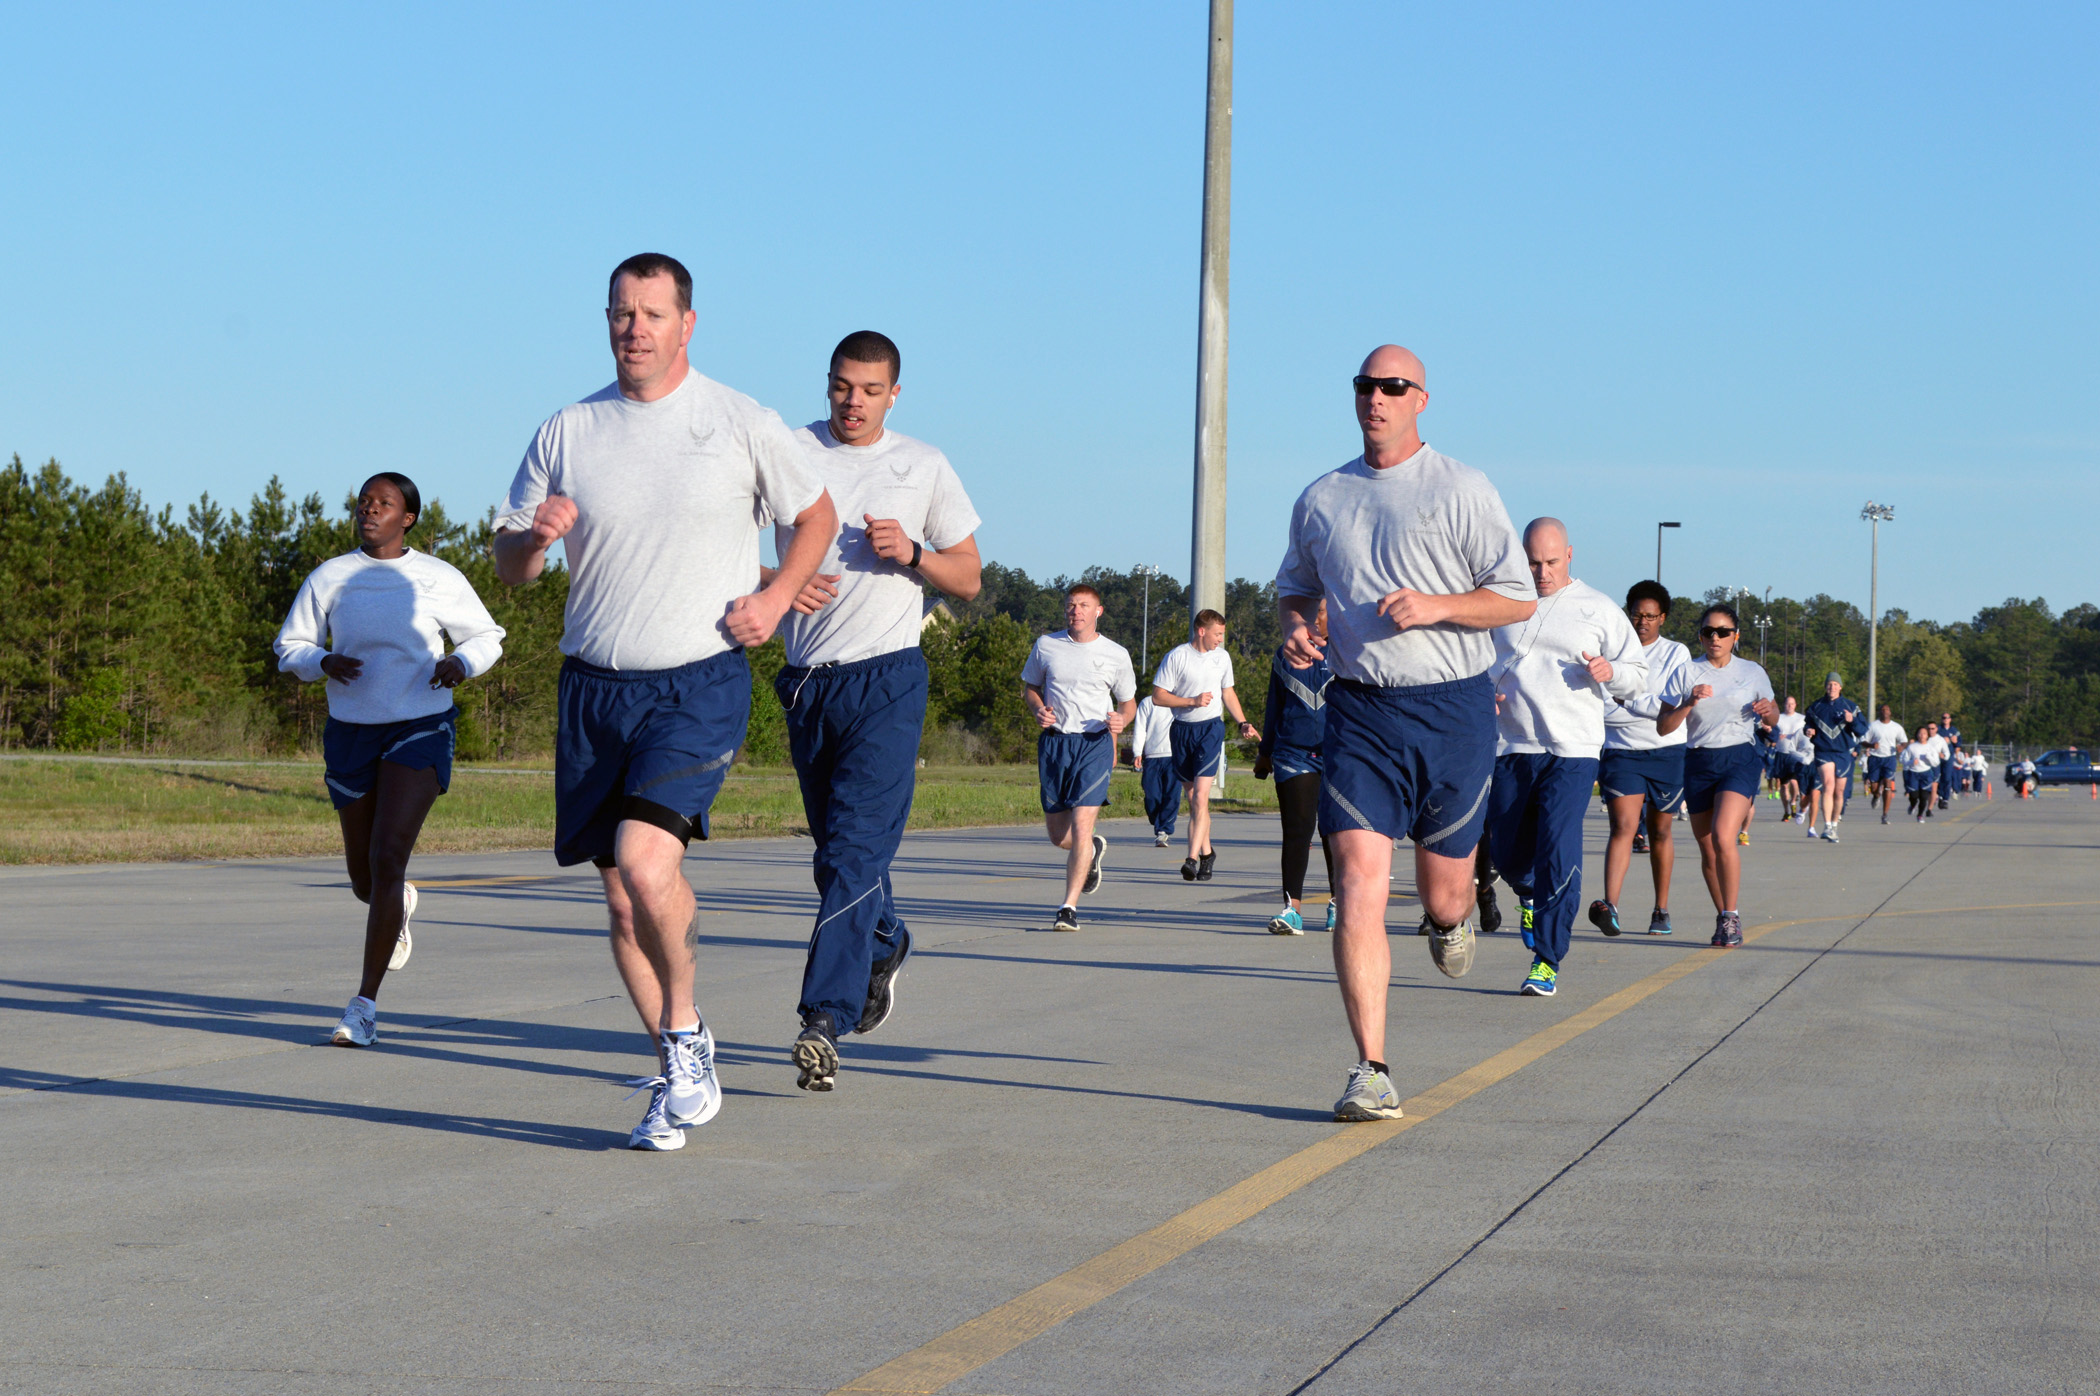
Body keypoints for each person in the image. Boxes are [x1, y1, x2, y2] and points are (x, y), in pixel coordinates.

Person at [493, 253, 837, 1151]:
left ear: (687, 323)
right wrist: (535, 538)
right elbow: (511, 567)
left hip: (697, 679)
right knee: (623, 898)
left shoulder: (737, 421)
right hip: (594, 688)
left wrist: (772, 599)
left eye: (650, 313)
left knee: (646, 867)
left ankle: (684, 1033)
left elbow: (818, 517)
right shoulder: (568, 430)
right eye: (619, 313)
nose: (633, 329)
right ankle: (677, 1068)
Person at [1274, 344, 1536, 1121]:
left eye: (1393, 387)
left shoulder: (1462, 487)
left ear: (1421, 399)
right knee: (1357, 884)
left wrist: (1438, 605)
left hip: (1453, 708)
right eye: (1365, 386)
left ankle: (1452, 921)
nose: (1376, 398)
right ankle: (1372, 1070)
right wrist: (1295, 630)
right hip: (1360, 713)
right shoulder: (1322, 499)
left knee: (1443, 895)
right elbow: (1294, 592)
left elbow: (1516, 599)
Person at [767, 331, 982, 1093]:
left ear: (894, 394)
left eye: (868, 390)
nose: (851, 402)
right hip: (806, 682)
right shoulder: (784, 451)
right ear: (825, 385)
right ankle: (884, 938)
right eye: (840, 387)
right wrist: (774, 578)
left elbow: (969, 577)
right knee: (836, 859)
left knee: (855, 854)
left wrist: (915, 554)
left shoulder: (921, 465)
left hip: (888, 680)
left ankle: (823, 1017)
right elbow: (716, 543)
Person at [276, 473, 506, 1048]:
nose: (369, 511)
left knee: (388, 854)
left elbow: (487, 635)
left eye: (384, 504)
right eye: (364, 503)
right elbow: (291, 646)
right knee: (366, 878)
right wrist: (322, 662)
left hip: (420, 725)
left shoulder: (436, 576)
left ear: (407, 518)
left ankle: (363, 1006)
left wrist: (462, 663)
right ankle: (397, 902)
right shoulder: (331, 576)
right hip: (351, 732)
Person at [1486, 520, 1644, 996]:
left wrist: (1610, 670)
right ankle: (1529, 894)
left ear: (1569, 555)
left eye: (1551, 562)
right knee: (1508, 855)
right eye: (1533, 562)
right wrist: (1479, 693)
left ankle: (1547, 959)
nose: (1542, 573)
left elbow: (1637, 677)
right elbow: (1472, 659)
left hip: (1573, 750)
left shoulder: (1597, 608)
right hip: (1513, 747)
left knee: (1558, 846)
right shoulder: (1501, 602)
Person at [1655, 603, 1779, 948]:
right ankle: (1723, 914)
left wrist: (1770, 712)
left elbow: (1773, 719)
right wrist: (1687, 704)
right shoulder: (1686, 672)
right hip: (1698, 761)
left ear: (1735, 637)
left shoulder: (1752, 672)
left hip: (1739, 758)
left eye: (1723, 632)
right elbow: (1663, 727)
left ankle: (1731, 915)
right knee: (1708, 850)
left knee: (1724, 837)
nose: (1715, 637)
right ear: (1700, 636)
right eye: (1709, 631)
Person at [1021, 585, 1138, 931]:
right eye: (1071, 606)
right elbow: (1030, 688)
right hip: (1056, 745)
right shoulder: (1046, 645)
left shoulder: (1116, 654)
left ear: (1098, 611)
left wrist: (1123, 720)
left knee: (1082, 826)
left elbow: (1128, 702)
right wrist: (1039, 709)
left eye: (1084, 606)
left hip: (1094, 745)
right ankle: (1092, 851)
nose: (1076, 611)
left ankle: (1068, 907)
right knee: (1061, 836)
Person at [1595, 580, 1691, 937]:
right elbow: (1606, 708)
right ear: (1627, 614)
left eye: (1650, 616)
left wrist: (1629, 701)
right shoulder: (1610, 652)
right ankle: (1610, 907)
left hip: (1667, 751)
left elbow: (1672, 707)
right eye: (1636, 614)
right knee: (1622, 827)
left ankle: (1661, 909)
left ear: (1662, 618)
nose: (1642, 622)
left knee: (1660, 831)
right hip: (1621, 751)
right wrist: (1650, 706)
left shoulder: (1676, 654)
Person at [1152, 610, 1260, 881]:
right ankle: (1208, 853)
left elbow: (1228, 692)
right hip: (1182, 731)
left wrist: (1243, 722)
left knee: (1200, 797)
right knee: (1193, 801)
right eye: (1217, 634)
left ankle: (1191, 858)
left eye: (1222, 634)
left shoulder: (1222, 658)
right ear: (1202, 631)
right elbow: (1158, 697)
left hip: (1211, 729)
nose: (1221, 640)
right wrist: (1191, 701)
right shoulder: (1177, 657)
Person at [1253, 599, 1335, 934]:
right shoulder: (1283, 655)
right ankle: (1292, 909)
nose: (1314, 618)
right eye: (1309, 612)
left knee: (1335, 832)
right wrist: (1266, 750)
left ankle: (1340, 903)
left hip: (1340, 753)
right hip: (1292, 752)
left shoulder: (1349, 651)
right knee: (1297, 830)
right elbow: (1275, 704)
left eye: (1321, 611)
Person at [1803, 673, 1867, 843]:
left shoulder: (1850, 706)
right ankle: (1827, 827)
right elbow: (1808, 724)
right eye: (1829, 684)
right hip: (1823, 751)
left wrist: (1851, 720)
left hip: (1843, 753)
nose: (1832, 687)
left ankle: (1834, 825)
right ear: (1825, 686)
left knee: (1839, 791)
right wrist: (1809, 730)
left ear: (1840, 687)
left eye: (1835, 684)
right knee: (1828, 785)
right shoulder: (1816, 706)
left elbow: (1862, 730)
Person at [1129, 695, 1179, 846]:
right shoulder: (1148, 702)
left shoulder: (1182, 700)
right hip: (1152, 756)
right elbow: (1140, 728)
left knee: (1172, 796)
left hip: (1175, 756)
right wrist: (1137, 752)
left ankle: (1163, 830)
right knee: (1152, 796)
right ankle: (1158, 820)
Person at [1863, 703, 1906, 822]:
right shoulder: (1873, 726)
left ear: (1890, 712)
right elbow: (1863, 741)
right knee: (1875, 787)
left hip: (1889, 759)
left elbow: (1904, 741)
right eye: (1882, 710)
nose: (1884, 711)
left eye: (1887, 709)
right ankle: (1876, 796)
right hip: (1875, 758)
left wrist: (1900, 747)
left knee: (1888, 784)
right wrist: (1871, 745)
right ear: (1879, 712)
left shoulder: (1896, 727)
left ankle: (1885, 814)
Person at [1770, 695, 1806, 823]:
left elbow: (1806, 734)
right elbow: (1771, 731)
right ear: (1784, 705)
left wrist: (1791, 735)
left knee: (1794, 781)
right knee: (1784, 786)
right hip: (1781, 754)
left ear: (1795, 705)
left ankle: (1793, 802)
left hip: (1795, 754)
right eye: (1787, 704)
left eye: (1792, 704)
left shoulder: (1801, 719)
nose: (1790, 706)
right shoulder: (1778, 718)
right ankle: (1786, 811)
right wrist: (1774, 736)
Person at [1901, 724, 1940, 819]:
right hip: (1913, 773)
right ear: (1917, 735)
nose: (1922, 735)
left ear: (1927, 736)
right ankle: (1912, 805)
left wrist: (1929, 758)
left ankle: (1920, 815)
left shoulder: (1931, 748)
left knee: (1924, 796)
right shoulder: (1911, 747)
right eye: (1920, 733)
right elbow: (1903, 760)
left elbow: (1936, 763)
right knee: (1914, 795)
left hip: (1926, 773)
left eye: (1924, 733)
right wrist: (1911, 762)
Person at [1937, 711, 1963, 808]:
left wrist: (1955, 742)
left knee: (1947, 777)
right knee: (1938, 777)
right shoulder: (1938, 730)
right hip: (1939, 756)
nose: (1945, 719)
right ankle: (1939, 795)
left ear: (1950, 719)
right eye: (1943, 718)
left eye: (1947, 717)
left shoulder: (1955, 731)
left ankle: (1945, 798)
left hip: (1949, 756)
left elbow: (1959, 744)